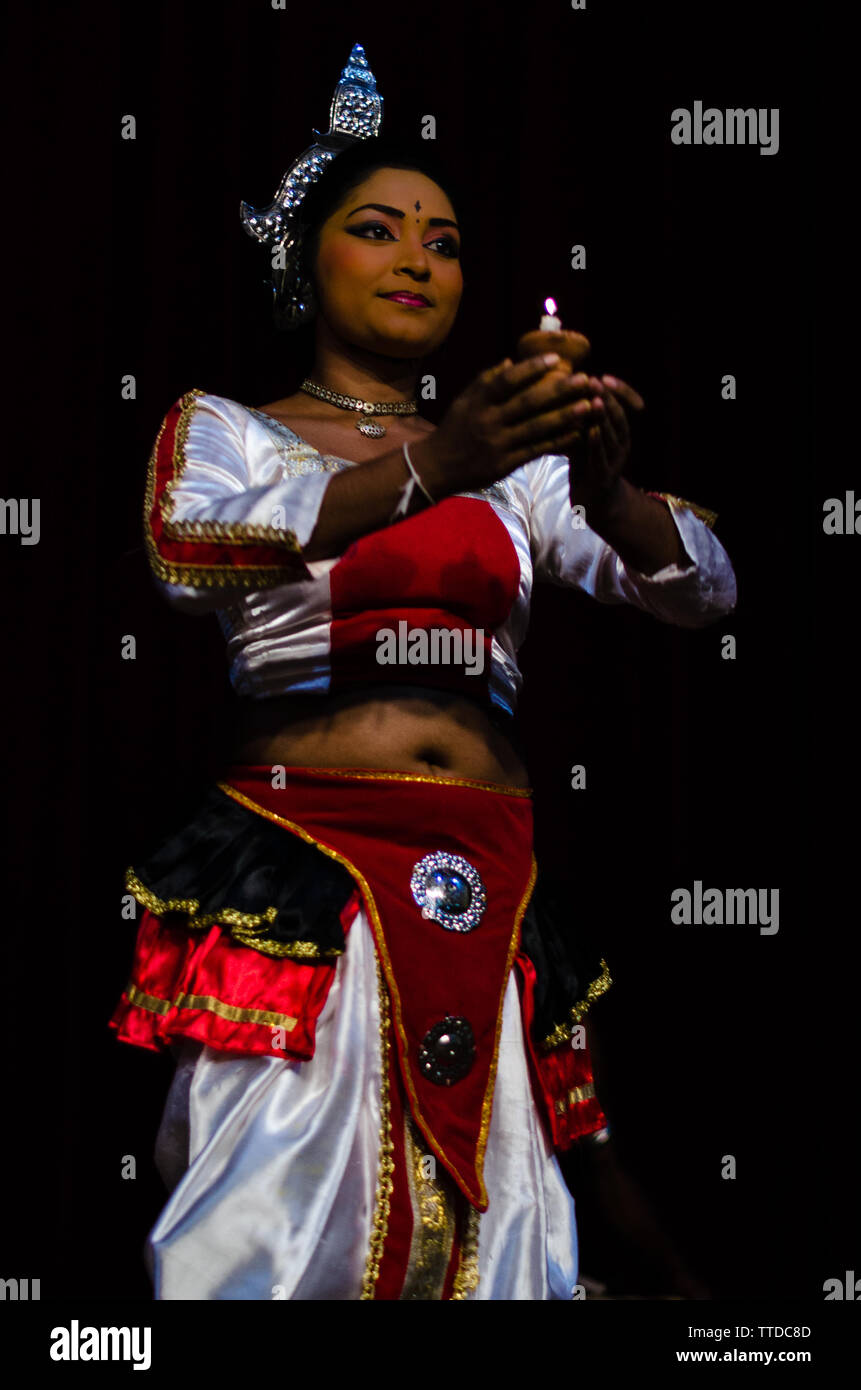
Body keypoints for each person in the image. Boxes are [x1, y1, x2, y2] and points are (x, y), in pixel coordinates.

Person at [111, 44, 736, 1300]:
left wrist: (604, 492)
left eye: (444, 242)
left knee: (499, 1233)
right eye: (379, 230)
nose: (417, 260)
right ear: (305, 263)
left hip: (489, 877)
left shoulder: (511, 461)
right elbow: (188, 552)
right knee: (282, 1224)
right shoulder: (238, 432)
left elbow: (707, 586)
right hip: (308, 868)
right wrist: (426, 467)